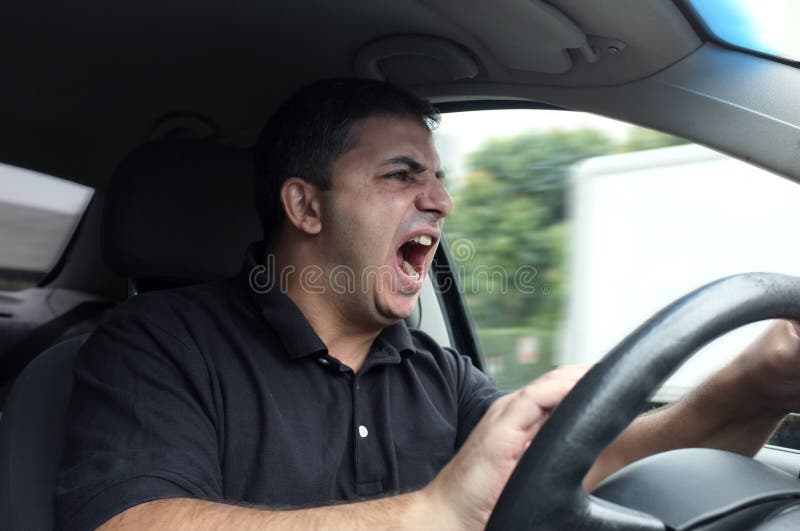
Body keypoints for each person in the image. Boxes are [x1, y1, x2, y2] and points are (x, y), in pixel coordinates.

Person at [55, 78, 800, 531]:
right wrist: (426, 513)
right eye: (401, 176)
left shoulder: (438, 374)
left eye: (437, 179)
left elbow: (587, 466)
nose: (440, 202)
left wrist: (753, 383)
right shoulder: (155, 344)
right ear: (306, 207)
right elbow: (128, 520)